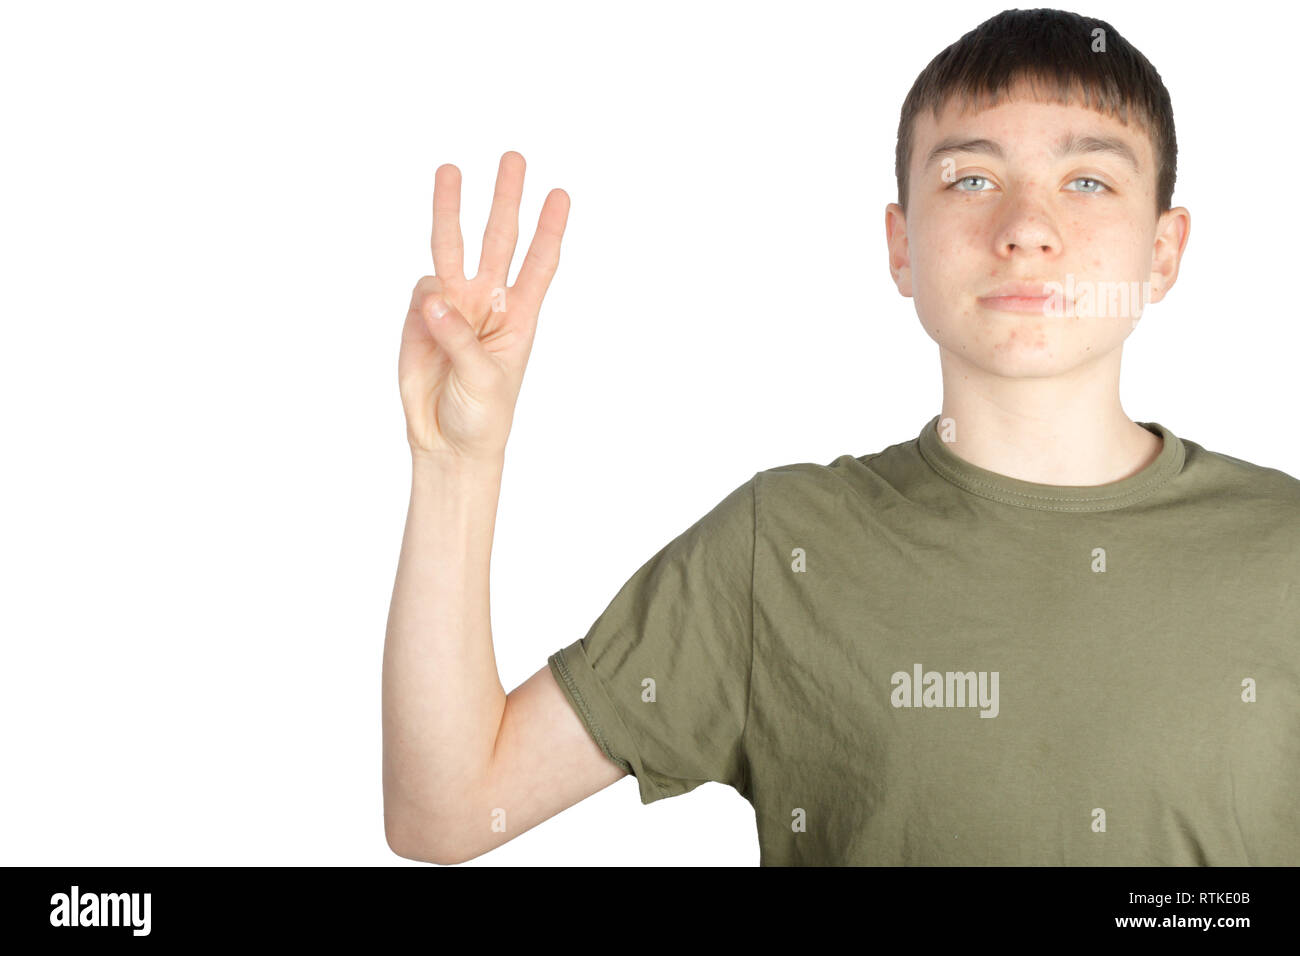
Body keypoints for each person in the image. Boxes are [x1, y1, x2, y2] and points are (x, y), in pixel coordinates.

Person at [382, 8, 1300, 866]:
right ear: (900, 246)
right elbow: (448, 809)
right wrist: (457, 460)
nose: (1026, 229)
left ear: (1163, 252)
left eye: (1088, 181)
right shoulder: (782, 549)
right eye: (970, 178)